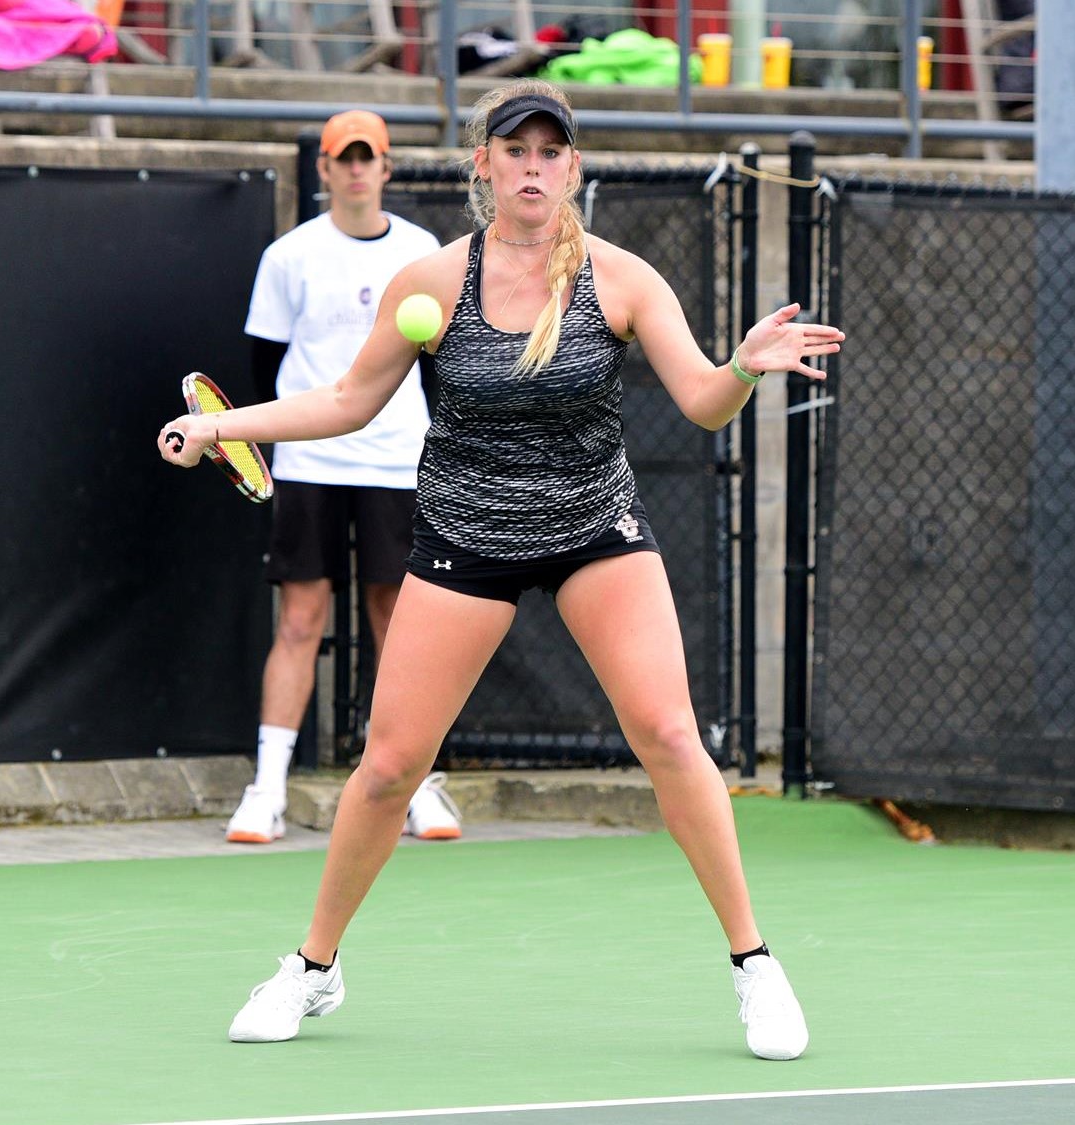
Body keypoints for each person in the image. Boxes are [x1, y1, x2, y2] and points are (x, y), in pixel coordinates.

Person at [158, 79, 845, 1061]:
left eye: (549, 152)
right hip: (463, 536)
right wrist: (223, 424)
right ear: (481, 164)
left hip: (593, 528)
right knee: (390, 765)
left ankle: (756, 967)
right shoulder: (430, 285)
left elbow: (699, 402)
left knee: (665, 732)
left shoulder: (621, 280)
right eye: (512, 150)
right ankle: (311, 969)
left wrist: (740, 366)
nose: (532, 166)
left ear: (573, 167)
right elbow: (347, 401)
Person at [223, 110, 461, 848]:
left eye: (370, 157)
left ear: (387, 168)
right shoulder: (289, 257)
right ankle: (265, 790)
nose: (357, 169)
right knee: (300, 618)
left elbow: (439, 369)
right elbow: (265, 370)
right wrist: (265, 445)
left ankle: (417, 785)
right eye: (343, 158)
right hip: (310, 462)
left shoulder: (423, 252)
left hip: (396, 461)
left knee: (399, 620)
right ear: (323, 170)